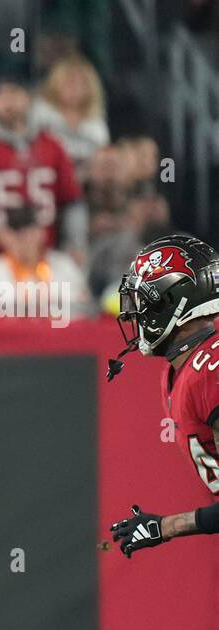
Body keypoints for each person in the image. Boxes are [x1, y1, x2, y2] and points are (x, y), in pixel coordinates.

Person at [107, 236, 219, 556]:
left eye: (142, 302)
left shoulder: (210, 368)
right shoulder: (183, 369)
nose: (135, 315)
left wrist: (167, 526)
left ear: (170, 301)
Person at [0, 71, 86, 270]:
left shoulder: (51, 144)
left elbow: (73, 201)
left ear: (29, 98)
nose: (7, 101)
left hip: (45, 257)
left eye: (13, 92)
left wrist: (76, 243)